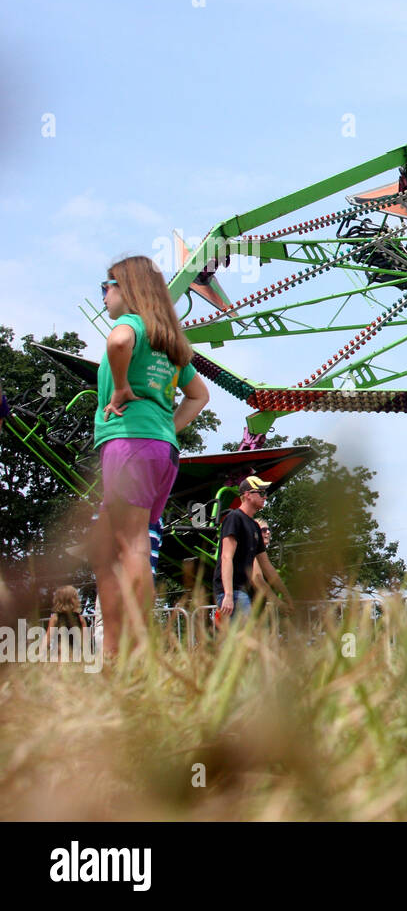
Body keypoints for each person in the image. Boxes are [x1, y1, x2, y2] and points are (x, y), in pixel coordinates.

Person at [91, 256, 210, 655]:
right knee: (123, 547)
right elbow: (199, 396)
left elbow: (118, 342)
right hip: (162, 452)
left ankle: (127, 649)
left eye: (105, 286)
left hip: (128, 442)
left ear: (128, 289)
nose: (103, 295)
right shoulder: (170, 342)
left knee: (126, 549)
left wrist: (121, 387)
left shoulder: (134, 327)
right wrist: (166, 429)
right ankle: (123, 647)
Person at [215, 476, 290, 620]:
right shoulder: (234, 518)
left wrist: (287, 596)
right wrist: (228, 595)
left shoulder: (254, 526)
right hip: (235, 592)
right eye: (261, 493)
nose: (265, 496)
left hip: (244, 591)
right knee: (247, 639)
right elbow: (226, 557)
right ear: (247, 495)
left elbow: (267, 565)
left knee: (245, 639)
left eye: (266, 493)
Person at [45, 585, 88, 661]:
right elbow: (85, 641)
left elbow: (47, 639)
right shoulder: (81, 619)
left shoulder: (55, 618)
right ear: (74, 600)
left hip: (59, 656)